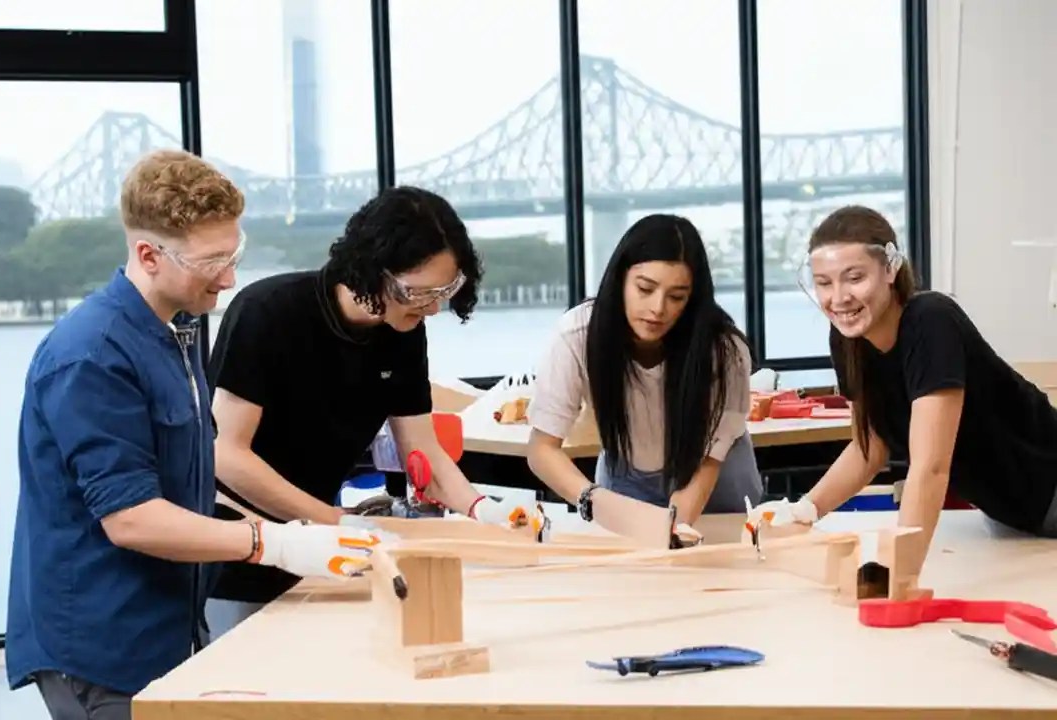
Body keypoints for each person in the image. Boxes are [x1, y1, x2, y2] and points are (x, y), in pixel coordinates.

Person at [5, 149, 383, 720]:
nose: (229, 278)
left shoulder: (173, 336)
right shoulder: (92, 355)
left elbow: (192, 474)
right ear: (148, 255)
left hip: (167, 625)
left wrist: (317, 529)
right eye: (212, 262)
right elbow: (131, 518)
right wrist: (272, 542)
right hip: (99, 644)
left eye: (234, 255)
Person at [204, 185, 544, 638]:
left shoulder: (402, 329)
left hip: (324, 546)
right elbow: (226, 456)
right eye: (418, 292)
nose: (434, 307)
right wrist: (338, 521)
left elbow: (421, 452)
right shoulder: (267, 312)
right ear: (370, 269)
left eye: (446, 290)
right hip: (242, 546)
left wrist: (482, 509)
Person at [749, 205, 1057, 573]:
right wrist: (804, 510)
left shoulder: (931, 322)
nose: (839, 297)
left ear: (890, 268)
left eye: (854, 277)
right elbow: (871, 446)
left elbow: (930, 467)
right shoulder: (849, 339)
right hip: (1015, 513)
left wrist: (901, 573)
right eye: (824, 283)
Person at [526, 214, 760, 543]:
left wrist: (678, 526)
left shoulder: (724, 350)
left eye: (677, 297)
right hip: (623, 478)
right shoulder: (578, 333)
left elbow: (709, 461)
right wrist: (595, 501)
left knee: (716, 570)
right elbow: (542, 450)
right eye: (645, 288)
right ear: (620, 278)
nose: (657, 308)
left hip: (715, 479)